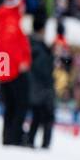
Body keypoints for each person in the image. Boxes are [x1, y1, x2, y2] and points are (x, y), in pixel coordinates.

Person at [0, 0, 31, 146]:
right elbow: (10, 49)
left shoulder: (3, 21)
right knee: (18, 105)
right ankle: (14, 137)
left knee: (10, 106)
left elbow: (0, 49)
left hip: (7, 71)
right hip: (14, 72)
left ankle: (9, 136)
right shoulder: (11, 23)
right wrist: (20, 64)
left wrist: (2, 73)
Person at [25, 12, 56, 149]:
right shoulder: (39, 47)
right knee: (47, 117)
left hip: (32, 86)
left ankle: (31, 140)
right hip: (42, 88)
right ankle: (44, 145)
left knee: (37, 117)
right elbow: (43, 70)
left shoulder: (29, 43)